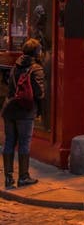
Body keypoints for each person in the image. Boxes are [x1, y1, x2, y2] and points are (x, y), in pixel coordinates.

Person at [2, 37, 46, 189]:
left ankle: (8, 178)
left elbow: (10, 87)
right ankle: (23, 177)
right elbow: (39, 93)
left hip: (9, 109)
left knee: (9, 142)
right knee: (24, 144)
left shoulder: (16, 65)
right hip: (25, 112)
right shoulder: (36, 68)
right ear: (36, 52)